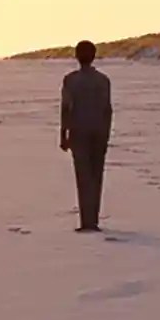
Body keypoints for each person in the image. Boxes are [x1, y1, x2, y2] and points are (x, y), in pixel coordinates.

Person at [59, 40, 113, 232]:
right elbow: (108, 109)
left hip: (79, 132)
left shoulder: (71, 80)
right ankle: (94, 220)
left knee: (83, 177)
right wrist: (107, 133)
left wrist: (63, 135)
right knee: (97, 175)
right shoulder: (103, 80)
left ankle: (86, 222)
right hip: (99, 131)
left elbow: (66, 109)